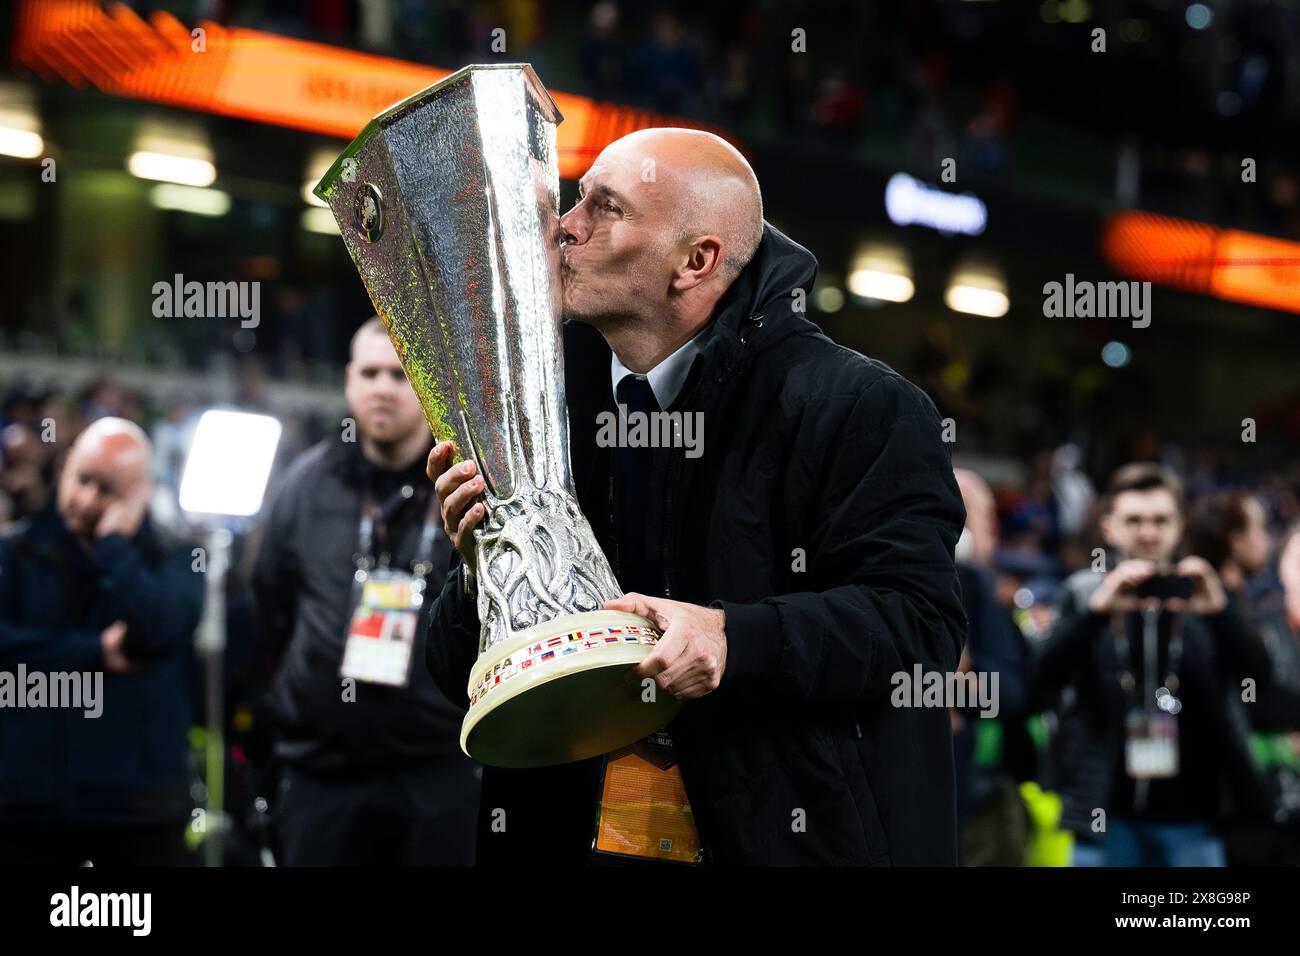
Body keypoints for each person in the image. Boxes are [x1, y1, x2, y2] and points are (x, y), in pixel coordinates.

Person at [425, 127, 967, 865]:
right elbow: (450, 670)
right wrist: (479, 574)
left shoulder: (859, 405)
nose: (564, 228)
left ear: (697, 261)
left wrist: (733, 637)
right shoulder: (533, 404)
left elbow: (918, 623)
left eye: (603, 208)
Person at [251, 318, 479, 866]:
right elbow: (269, 605)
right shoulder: (304, 485)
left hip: (439, 771)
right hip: (323, 773)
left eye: (400, 374)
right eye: (370, 372)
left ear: (426, 381)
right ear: (349, 379)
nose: (383, 387)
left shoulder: (466, 486)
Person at [1031, 463, 1272, 866]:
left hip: (1193, 817)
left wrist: (1221, 614)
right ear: (1109, 528)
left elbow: (1259, 680)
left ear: (1180, 527)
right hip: (1104, 813)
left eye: (1161, 520)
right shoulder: (1085, 593)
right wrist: (1095, 615)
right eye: (1134, 520)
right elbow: (1038, 684)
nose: (1147, 532)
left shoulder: (1203, 595)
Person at [0, 417, 202, 865]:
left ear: (142, 494)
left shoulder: (176, 558)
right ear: (65, 466)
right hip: (29, 807)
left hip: (140, 811)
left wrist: (114, 546)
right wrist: (93, 654)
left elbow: (159, 630)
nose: (88, 500)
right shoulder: (17, 551)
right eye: (83, 480)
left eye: (108, 490)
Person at [1189, 495, 1300, 865]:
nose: (1265, 539)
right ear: (1234, 539)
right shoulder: (1211, 607)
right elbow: (1252, 695)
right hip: (1229, 803)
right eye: (1258, 528)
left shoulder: (1241, 603)